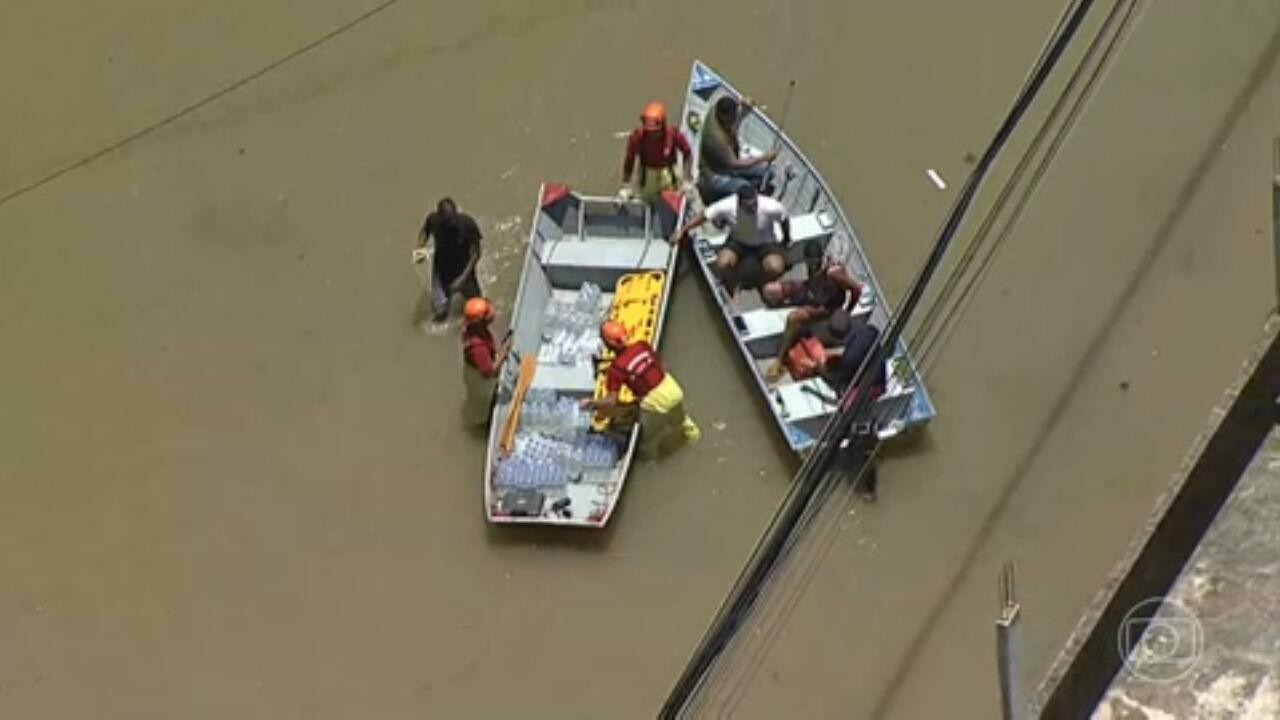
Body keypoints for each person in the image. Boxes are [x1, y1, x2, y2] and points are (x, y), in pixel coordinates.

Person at [582, 320, 700, 458]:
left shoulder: (616, 370)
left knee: (649, 438)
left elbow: (611, 401)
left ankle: (652, 461)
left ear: (608, 344)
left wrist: (592, 403)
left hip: (657, 401)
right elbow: (650, 366)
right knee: (681, 421)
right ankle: (696, 442)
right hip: (672, 388)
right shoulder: (642, 345)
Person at [763, 242, 865, 382]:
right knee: (770, 290)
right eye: (809, 261)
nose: (812, 264)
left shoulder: (833, 274)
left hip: (826, 307)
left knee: (793, 318)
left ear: (822, 258)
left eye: (816, 260)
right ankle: (790, 330)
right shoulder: (812, 268)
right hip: (811, 291)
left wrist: (847, 311)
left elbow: (857, 289)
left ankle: (779, 360)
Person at [672, 184, 791, 295]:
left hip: (765, 242)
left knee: (776, 268)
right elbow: (704, 215)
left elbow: (784, 219)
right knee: (722, 263)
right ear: (739, 203)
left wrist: (786, 239)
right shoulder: (727, 205)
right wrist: (683, 230)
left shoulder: (771, 206)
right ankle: (732, 285)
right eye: (749, 207)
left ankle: (760, 283)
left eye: (755, 204)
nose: (753, 209)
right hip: (738, 240)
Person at [824, 313, 887, 502]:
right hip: (878, 377)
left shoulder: (851, 358)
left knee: (862, 438)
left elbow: (840, 381)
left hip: (868, 389)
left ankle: (868, 487)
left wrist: (822, 371)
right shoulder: (869, 330)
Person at [412, 197, 483, 322]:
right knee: (440, 313)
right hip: (441, 268)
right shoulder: (433, 220)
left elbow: (476, 254)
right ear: (440, 217)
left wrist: (462, 279)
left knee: (478, 308)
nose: (451, 223)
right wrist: (419, 248)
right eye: (447, 221)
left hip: (463, 267)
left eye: (452, 219)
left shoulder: (467, 224)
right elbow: (425, 232)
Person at [698, 95, 778, 203]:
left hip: (729, 161)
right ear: (722, 116)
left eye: (734, 116)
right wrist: (763, 158)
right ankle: (722, 197)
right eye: (731, 119)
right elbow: (735, 164)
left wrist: (742, 101)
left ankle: (746, 184)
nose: (734, 120)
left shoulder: (716, 108)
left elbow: (728, 101)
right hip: (715, 174)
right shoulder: (715, 139)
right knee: (747, 190)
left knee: (770, 172)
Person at [621, 101, 694, 203]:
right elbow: (629, 160)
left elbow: (687, 154)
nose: (652, 135)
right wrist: (626, 185)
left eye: (655, 132)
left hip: (668, 172)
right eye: (648, 131)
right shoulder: (637, 137)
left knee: (672, 202)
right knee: (646, 202)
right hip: (647, 174)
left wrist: (687, 179)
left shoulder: (673, 134)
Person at [460, 298, 512, 427]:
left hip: (474, 370)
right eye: (489, 311)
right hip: (479, 378)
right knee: (482, 406)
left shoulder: (470, 328)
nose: (493, 312)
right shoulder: (478, 347)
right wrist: (504, 352)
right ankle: (479, 427)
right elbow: (489, 373)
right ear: (481, 321)